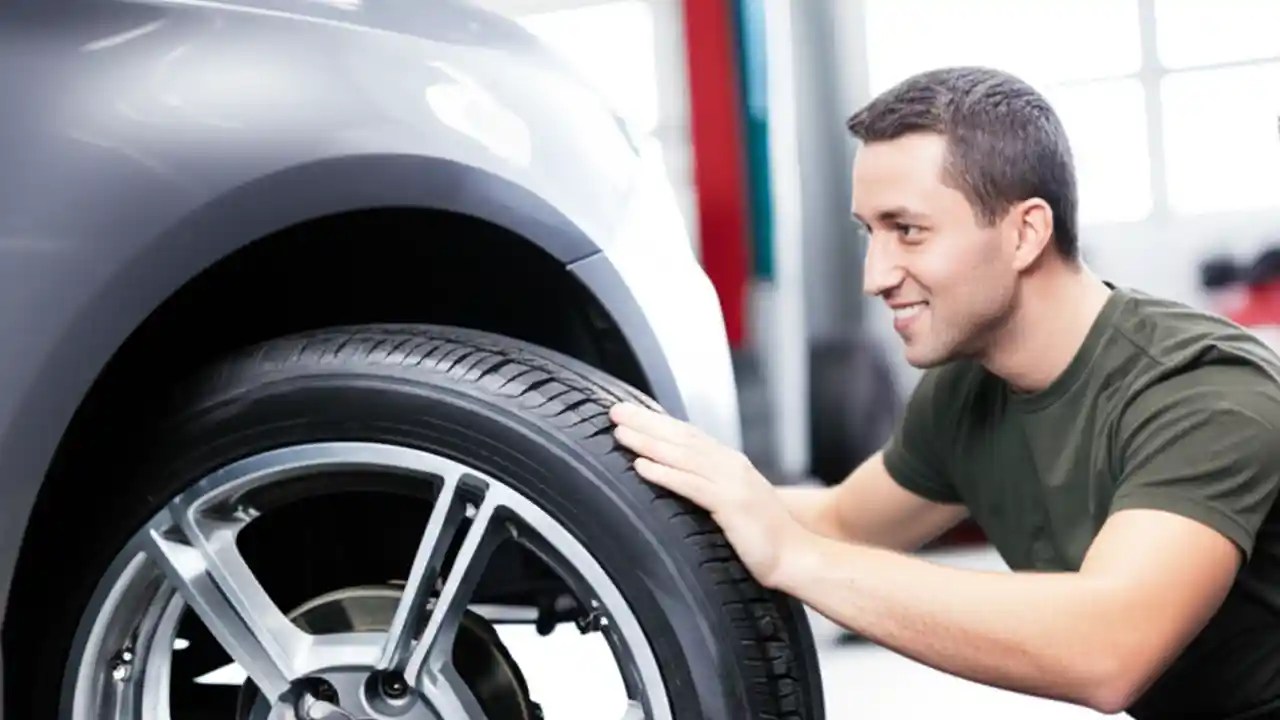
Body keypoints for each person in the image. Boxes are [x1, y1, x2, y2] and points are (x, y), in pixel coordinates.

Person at [609, 66, 1280, 719]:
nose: (875, 275)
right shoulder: (968, 388)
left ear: (1025, 233)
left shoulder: (1202, 390)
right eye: (869, 233)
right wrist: (654, 488)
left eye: (908, 230)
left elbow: (1106, 650)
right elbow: (846, 522)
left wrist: (796, 559)